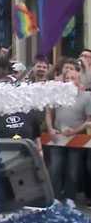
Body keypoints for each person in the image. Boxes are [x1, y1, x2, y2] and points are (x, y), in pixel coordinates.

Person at [44, 68, 91, 202]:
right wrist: (50, 128)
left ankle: (70, 201)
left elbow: (89, 120)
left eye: (73, 78)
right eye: (67, 78)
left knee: (73, 172)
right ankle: (54, 201)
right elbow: (48, 113)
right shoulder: (57, 95)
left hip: (76, 139)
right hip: (57, 138)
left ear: (79, 80)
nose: (69, 81)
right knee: (55, 169)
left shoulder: (87, 96)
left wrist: (75, 131)